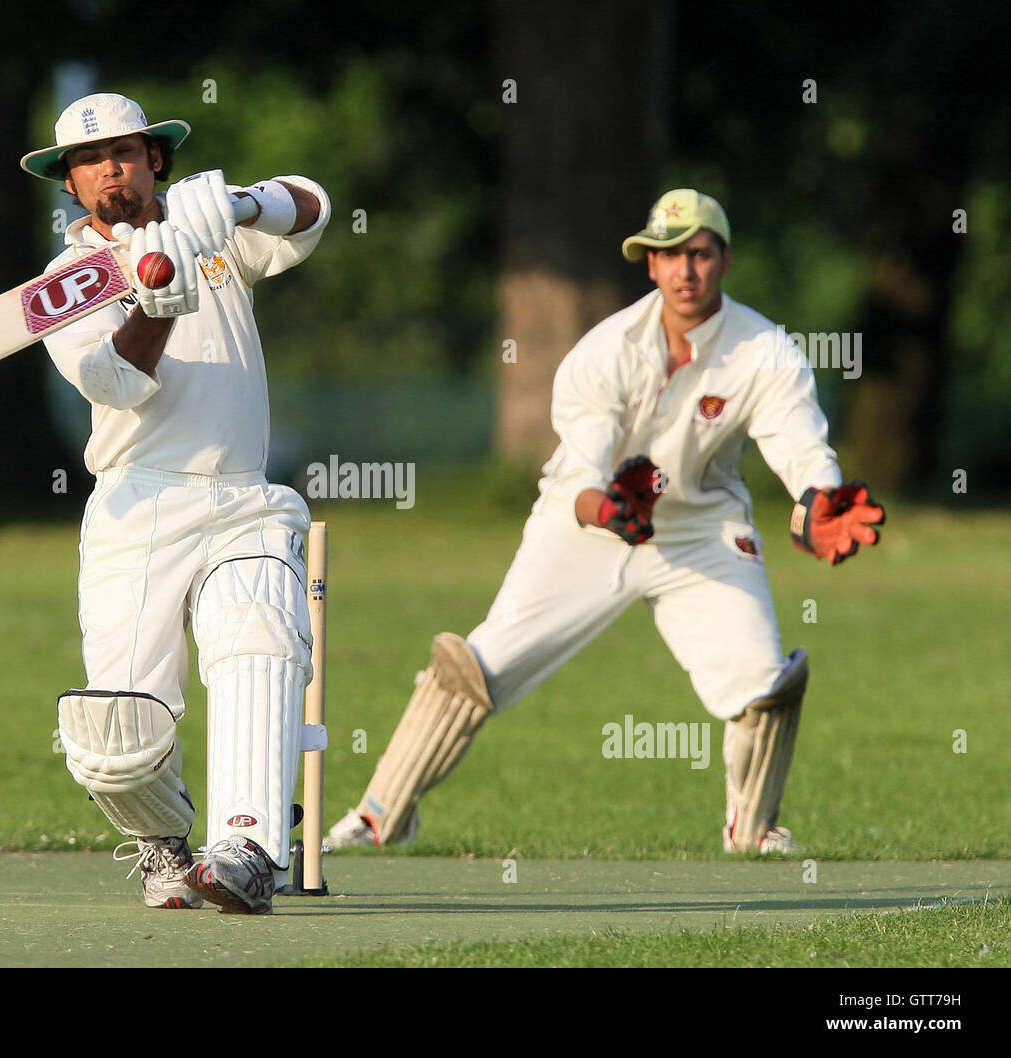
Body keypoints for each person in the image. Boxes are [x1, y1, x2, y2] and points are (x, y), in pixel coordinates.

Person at [328, 189, 885, 855]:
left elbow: (798, 445)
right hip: (585, 525)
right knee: (474, 668)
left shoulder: (765, 350)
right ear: (649, 266)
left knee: (765, 685)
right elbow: (586, 471)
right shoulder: (606, 350)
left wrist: (818, 502)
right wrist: (609, 511)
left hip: (701, 529)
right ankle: (380, 814)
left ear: (725, 260)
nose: (686, 271)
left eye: (700, 254)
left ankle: (753, 827)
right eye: (670, 256)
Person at [20, 92, 330, 913]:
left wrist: (241, 203)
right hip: (138, 504)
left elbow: (311, 211)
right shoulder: (65, 281)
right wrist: (156, 305)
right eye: (89, 162)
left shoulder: (213, 230)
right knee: (116, 735)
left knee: (258, 641)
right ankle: (163, 846)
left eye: (123, 152)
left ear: (156, 157)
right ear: (71, 182)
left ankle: (247, 848)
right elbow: (115, 383)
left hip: (241, 494)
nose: (108, 170)